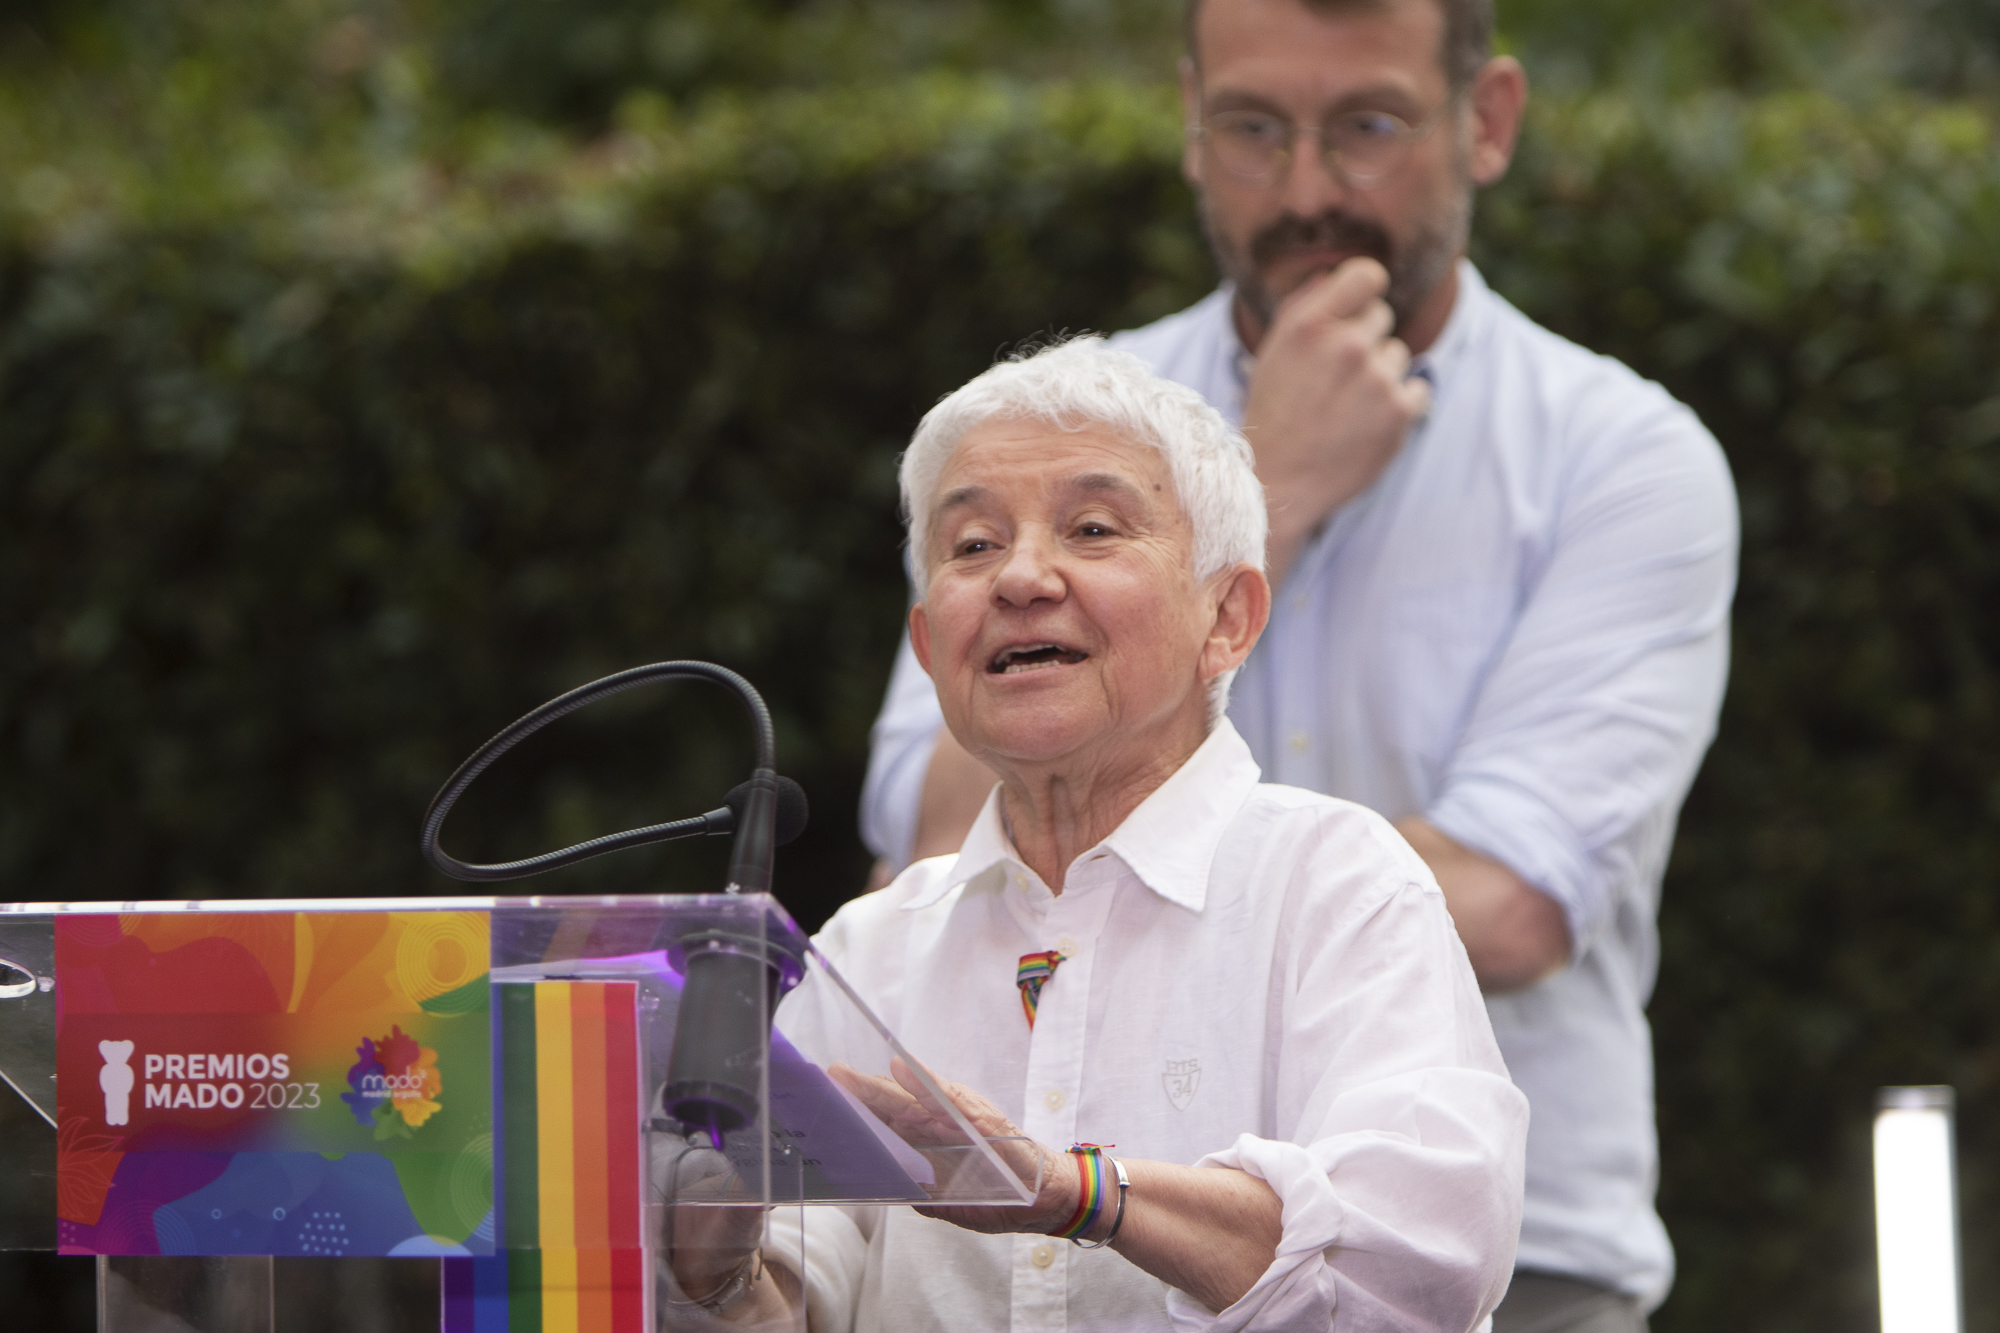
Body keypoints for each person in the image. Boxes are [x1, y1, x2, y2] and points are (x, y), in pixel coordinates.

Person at [861, 0, 1740, 1327]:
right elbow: (932, 869)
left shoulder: (1619, 457)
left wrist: (1237, 509)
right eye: (1253, 129)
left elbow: (1509, 902)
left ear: (1486, 120)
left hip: (1507, 1259)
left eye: (1367, 126)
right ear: (1188, 123)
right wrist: (1264, 477)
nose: (1307, 190)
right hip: (1027, 1263)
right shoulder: (1049, 428)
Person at [657, 337, 1528, 1331]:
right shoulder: (868, 950)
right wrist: (716, 1271)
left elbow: (1419, 1257)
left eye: (1092, 528)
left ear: (1227, 618)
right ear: (930, 646)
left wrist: (1075, 1191)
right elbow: (796, 1292)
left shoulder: (1334, 882)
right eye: (972, 545)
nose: (1022, 577)